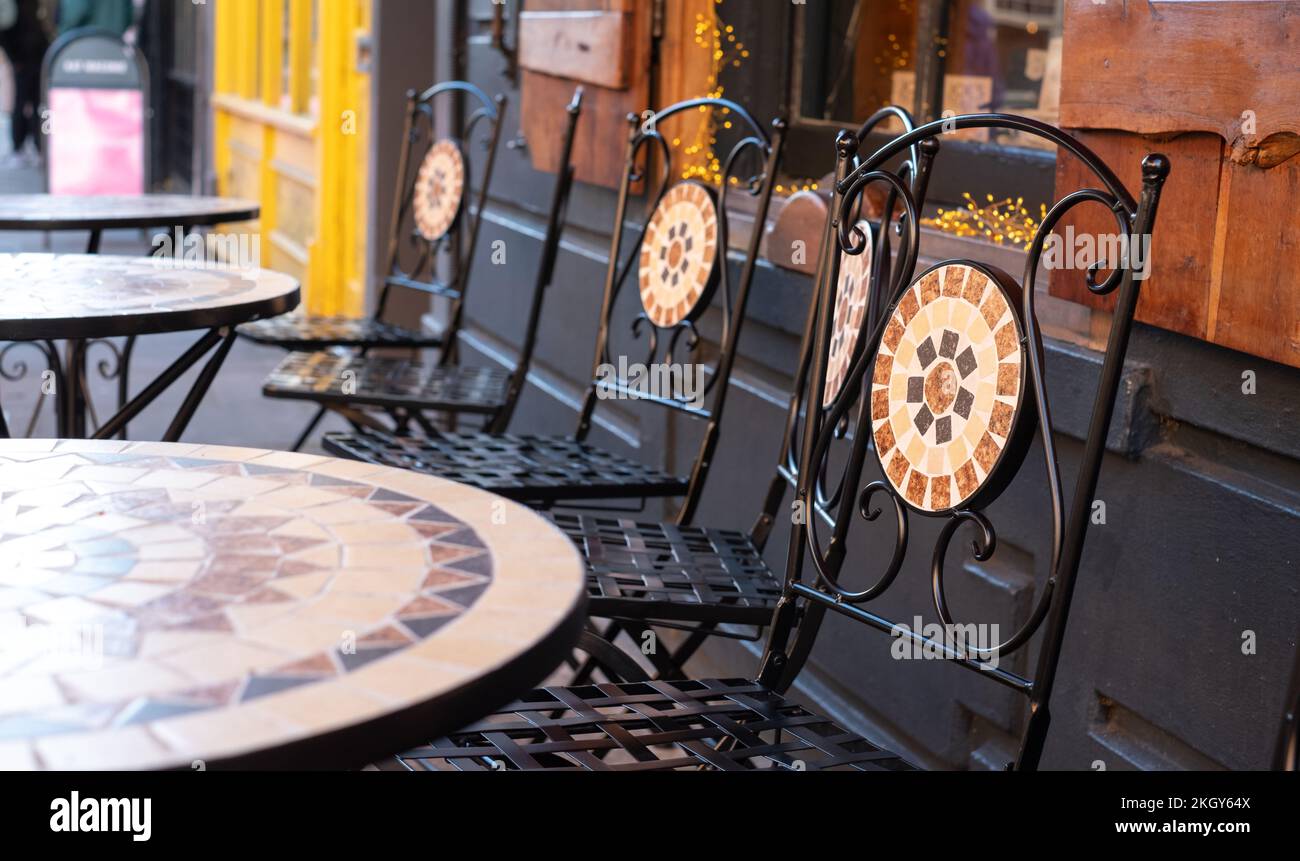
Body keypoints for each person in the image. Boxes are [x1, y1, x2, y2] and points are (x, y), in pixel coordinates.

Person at [0, 0, 49, 166]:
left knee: (35, 104)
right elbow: (5, 28)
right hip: (25, 56)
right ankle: (22, 147)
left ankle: (35, 146)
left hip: (32, 56)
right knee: (27, 104)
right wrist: (15, 57)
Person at [57, 0, 133, 36]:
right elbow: (130, 17)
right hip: (114, 45)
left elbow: (74, 14)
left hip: (84, 46)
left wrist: (62, 33)